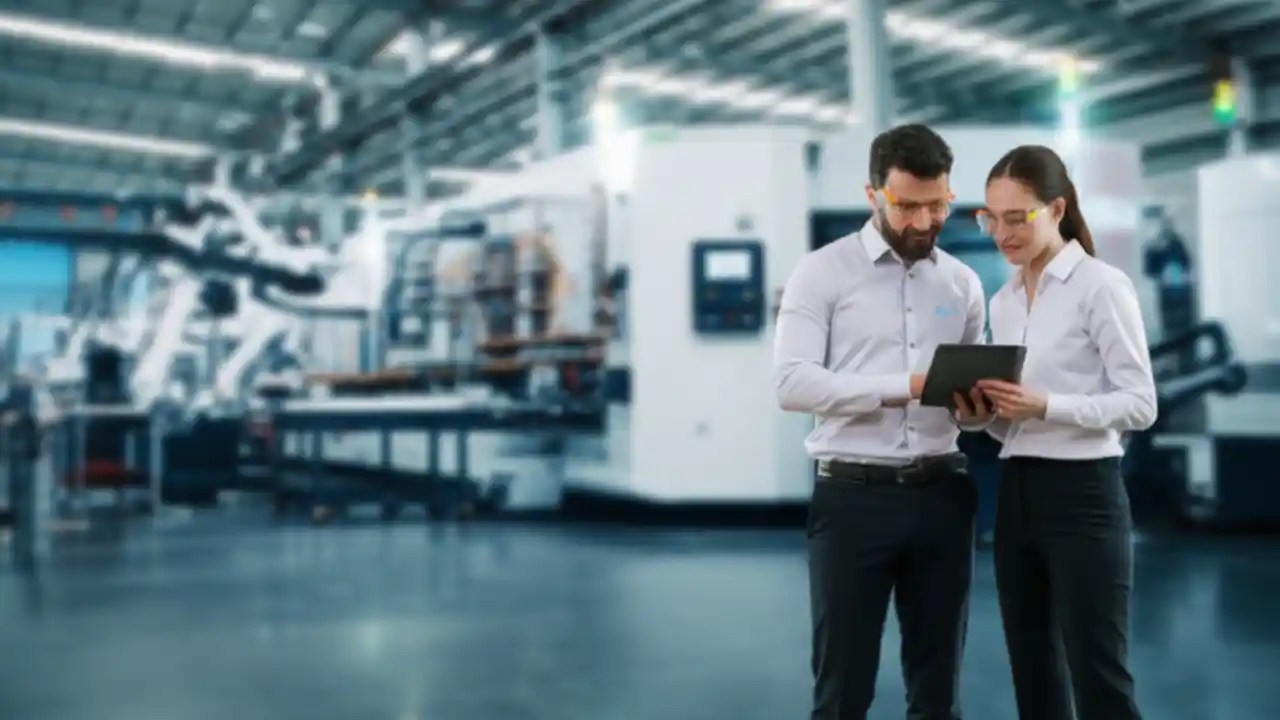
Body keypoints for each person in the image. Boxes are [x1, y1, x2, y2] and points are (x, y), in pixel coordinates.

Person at [773, 123, 987, 720]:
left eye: (937, 204)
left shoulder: (962, 283)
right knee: (843, 690)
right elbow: (792, 383)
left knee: (938, 689)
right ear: (874, 196)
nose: (924, 221)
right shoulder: (822, 272)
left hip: (944, 494)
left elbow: (965, 402)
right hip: (852, 500)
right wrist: (906, 388)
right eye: (907, 206)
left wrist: (978, 409)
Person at [959, 144, 1156, 720]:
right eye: (990, 218)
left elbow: (1140, 404)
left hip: (1084, 495)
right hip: (1017, 491)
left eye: (1017, 218)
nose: (1002, 232)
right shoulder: (1006, 297)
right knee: (1033, 670)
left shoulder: (1100, 285)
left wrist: (1047, 405)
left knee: (1098, 673)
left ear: (1058, 209)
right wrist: (984, 417)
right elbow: (1016, 423)